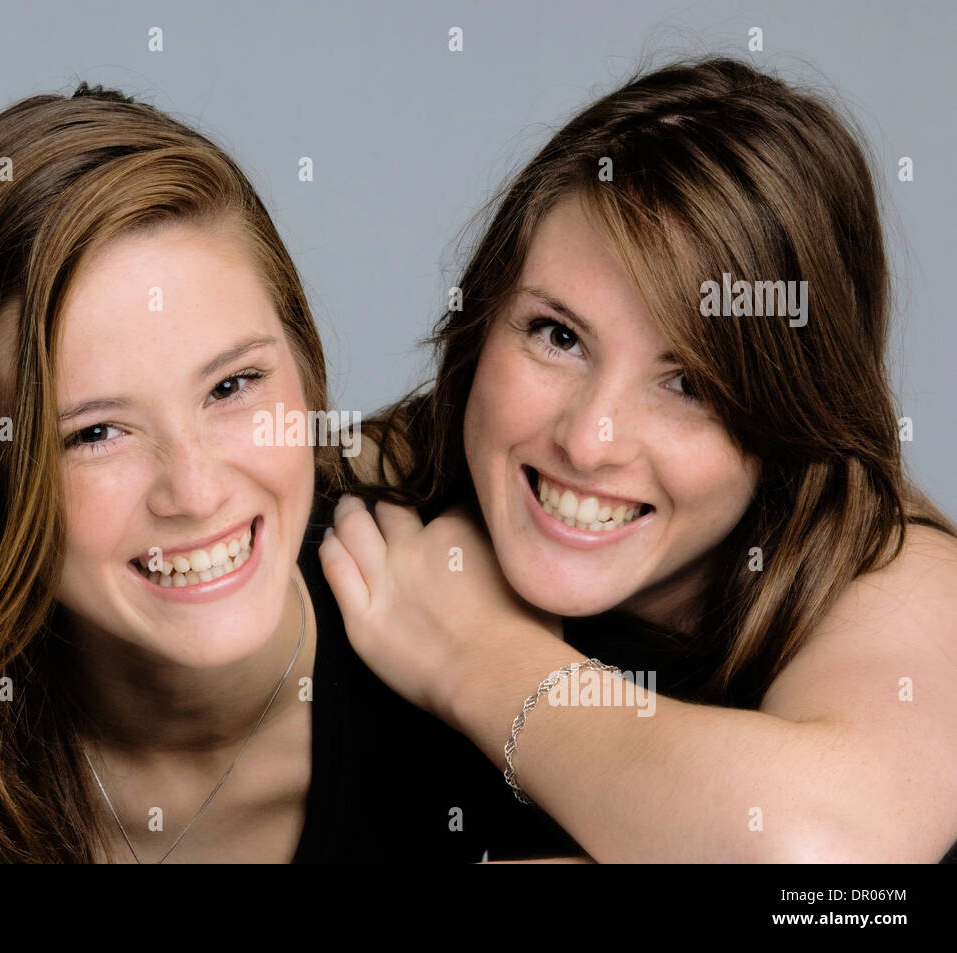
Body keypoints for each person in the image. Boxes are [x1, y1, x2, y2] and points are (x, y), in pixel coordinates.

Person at [0, 83, 566, 863]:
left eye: (234, 384)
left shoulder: (476, 619)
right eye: (94, 433)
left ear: (305, 364)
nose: (196, 490)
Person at [321, 57, 957, 862]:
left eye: (688, 383)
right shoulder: (382, 477)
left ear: (796, 412)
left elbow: (819, 858)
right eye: (558, 335)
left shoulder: (898, 573)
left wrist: (478, 657)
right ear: (484, 320)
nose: (589, 440)